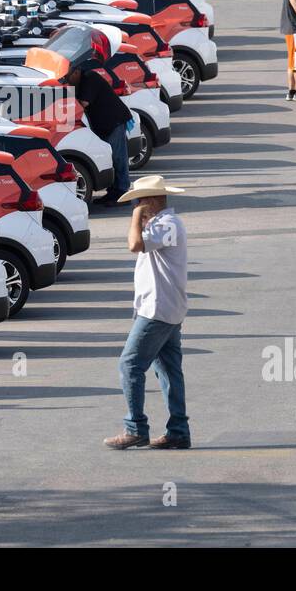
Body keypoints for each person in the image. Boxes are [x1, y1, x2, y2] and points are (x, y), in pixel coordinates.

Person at [104, 174, 191, 450]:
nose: (136, 206)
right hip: (163, 308)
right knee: (168, 370)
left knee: (129, 364)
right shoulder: (162, 224)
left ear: (152, 200)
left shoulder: (168, 224)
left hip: (158, 310)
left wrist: (137, 215)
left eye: (140, 201)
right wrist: (143, 216)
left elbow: (133, 245)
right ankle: (178, 431)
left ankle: (135, 428)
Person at [66, 62, 133, 206]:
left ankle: (123, 192)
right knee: (111, 157)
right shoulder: (78, 82)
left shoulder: (90, 78)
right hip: (104, 124)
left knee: (118, 157)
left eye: (67, 77)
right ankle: (113, 192)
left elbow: (82, 103)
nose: (66, 81)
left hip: (113, 122)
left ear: (76, 72)